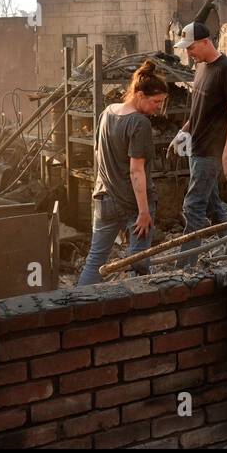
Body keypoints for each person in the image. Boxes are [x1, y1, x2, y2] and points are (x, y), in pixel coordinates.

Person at [78, 60, 169, 285]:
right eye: (156, 101)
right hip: (133, 203)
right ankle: (139, 311)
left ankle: (76, 303)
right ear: (139, 94)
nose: (159, 107)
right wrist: (144, 212)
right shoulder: (139, 123)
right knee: (139, 263)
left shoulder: (107, 113)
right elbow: (136, 172)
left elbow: (98, 154)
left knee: (95, 260)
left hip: (104, 198)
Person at [170, 21, 227, 266]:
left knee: (192, 207)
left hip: (210, 153)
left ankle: (185, 267)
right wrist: (181, 133)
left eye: (191, 48)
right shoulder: (201, 67)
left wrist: (226, 156)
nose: (188, 53)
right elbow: (199, 110)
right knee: (213, 206)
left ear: (205, 42)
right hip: (195, 148)